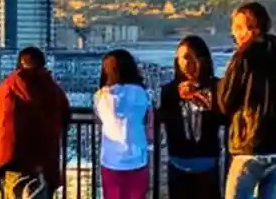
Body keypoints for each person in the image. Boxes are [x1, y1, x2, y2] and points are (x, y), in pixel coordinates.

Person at [218, 2, 276, 199]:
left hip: (250, 147)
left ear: (252, 30)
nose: (234, 33)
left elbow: (225, 102)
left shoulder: (243, 58)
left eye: (238, 27)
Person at [0, 46, 71, 199]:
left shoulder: (8, 87)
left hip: (10, 159)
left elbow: (0, 117)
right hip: (43, 159)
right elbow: (65, 116)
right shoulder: (52, 89)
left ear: (18, 64)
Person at [157, 35, 223, 199]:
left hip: (207, 164)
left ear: (202, 59)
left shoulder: (216, 87)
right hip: (178, 163)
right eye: (181, 58)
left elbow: (225, 117)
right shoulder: (170, 91)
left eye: (190, 57)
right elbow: (165, 117)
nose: (186, 64)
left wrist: (206, 102)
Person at [94, 49, 153, 199]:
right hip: (137, 157)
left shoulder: (101, 96)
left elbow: (99, 118)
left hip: (110, 159)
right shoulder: (142, 93)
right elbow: (149, 124)